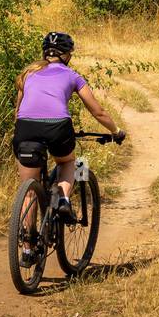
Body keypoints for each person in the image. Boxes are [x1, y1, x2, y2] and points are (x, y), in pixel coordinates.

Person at [13, 32, 123, 238]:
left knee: (29, 191)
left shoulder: (27, 73)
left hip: (25, 127)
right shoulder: (72, 75)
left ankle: (27, 248)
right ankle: (62, 199)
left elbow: (18, 111)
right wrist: (116, 131)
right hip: (58, 127)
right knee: (68, 162)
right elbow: (97, 111)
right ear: (67, 56)